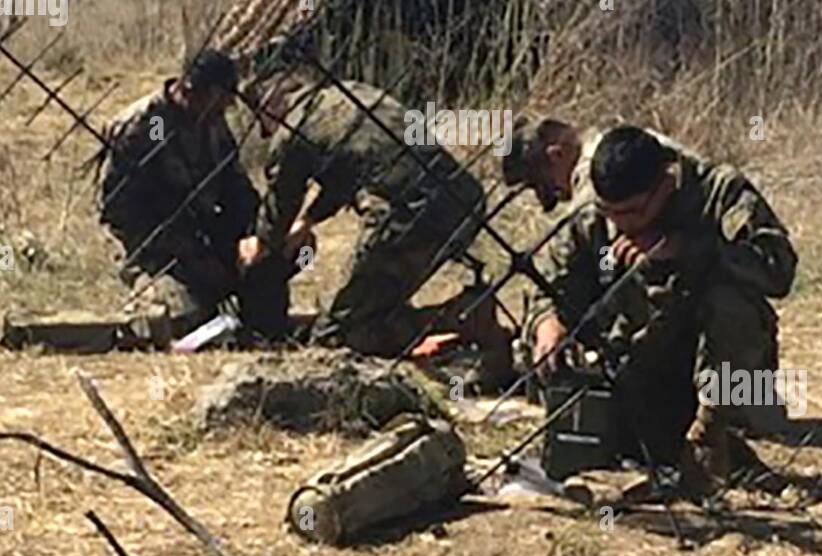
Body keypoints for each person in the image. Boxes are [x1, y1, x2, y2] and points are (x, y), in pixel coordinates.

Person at [508, 120, 798, 484]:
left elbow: (778, 269)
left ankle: (715, 430)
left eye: (633, 213)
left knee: (730, 302)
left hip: (725, 368)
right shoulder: (598, 213)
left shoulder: (719, 192)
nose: (620, 225)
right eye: (610, 213)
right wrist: (547, 323)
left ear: (666, 183)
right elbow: (552, 282)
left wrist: (690, 250)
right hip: (639, 359)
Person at [236, 72, 514, 387]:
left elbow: (282, 199)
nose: (267, 132)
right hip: (461, 201)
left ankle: (463, 317)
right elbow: (349, 171)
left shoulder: (294, 129)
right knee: (373, 301)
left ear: (270, 108)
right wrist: (309, 220)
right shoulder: (353, 94)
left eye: (263, 123)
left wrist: (260, 244)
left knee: (338, 338)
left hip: (408, 215)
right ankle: (465, 322)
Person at [95, 48, 306, 343]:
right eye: (219, 103)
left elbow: (237, 190)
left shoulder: (212, 122)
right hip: (155, 249)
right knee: (187, 322)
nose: (224, 112)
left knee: (297, 251)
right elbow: (120, 215)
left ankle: (263, 323)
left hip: (205, 234)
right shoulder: (150, 127)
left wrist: (260, 237)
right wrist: (191, 254)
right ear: (192, 92)